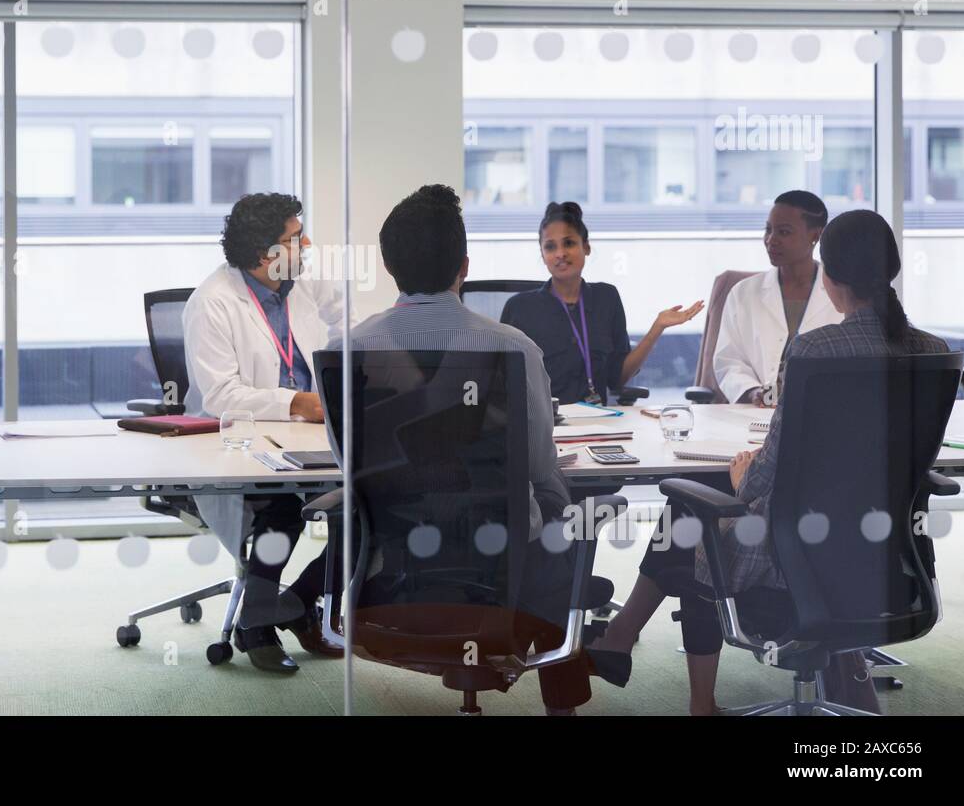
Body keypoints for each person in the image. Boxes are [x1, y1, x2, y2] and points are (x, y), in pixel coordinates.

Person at [602, 209, 949, 714]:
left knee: (690, 516)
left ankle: (652, 663)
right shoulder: (933, 351)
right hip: (892, 565)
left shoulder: (814, 350)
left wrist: (744, 476)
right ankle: (625, 641)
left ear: (828, 276)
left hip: (800, 565)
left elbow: (769, 472)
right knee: (692, 519)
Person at [333, 185, 630, 714]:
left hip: (392, 578)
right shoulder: (515, 348)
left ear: (388, 265)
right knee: (560, 526)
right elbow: (541, 471)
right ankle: (562, 695)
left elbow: (351, 469)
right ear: (463, 266)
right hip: (506, 582)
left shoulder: (344, 352)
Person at [183, 192, 348, 673]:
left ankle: (295, 604)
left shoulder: (303, 282)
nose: (308, 242)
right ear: (264, 255)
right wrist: (297, 402)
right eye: (295, 237)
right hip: (239, 444)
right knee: (284, 505)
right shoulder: (211, 303)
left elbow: (349, 324)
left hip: (313, 435)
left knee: (373, 500)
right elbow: (220, 396)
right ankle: (256, 623)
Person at [501, 201, 703, 406]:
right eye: (550, 247)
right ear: (543, 256)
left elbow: (618, 379)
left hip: (598, 423)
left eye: (569, 243)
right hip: (545, 425)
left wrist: (657, 327)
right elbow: (504, 384)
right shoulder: (520, 309)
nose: (560, 253)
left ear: (586, 247)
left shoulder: (606, 298)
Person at [713, 190, 843, 407]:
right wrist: (753, 391)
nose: (771, 240)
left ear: (815, 236)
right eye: (768, 230)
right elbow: (728, 361)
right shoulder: (743, 293)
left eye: (784, 232)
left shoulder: (839, 294)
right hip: (756, 414)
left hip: (821, 411)